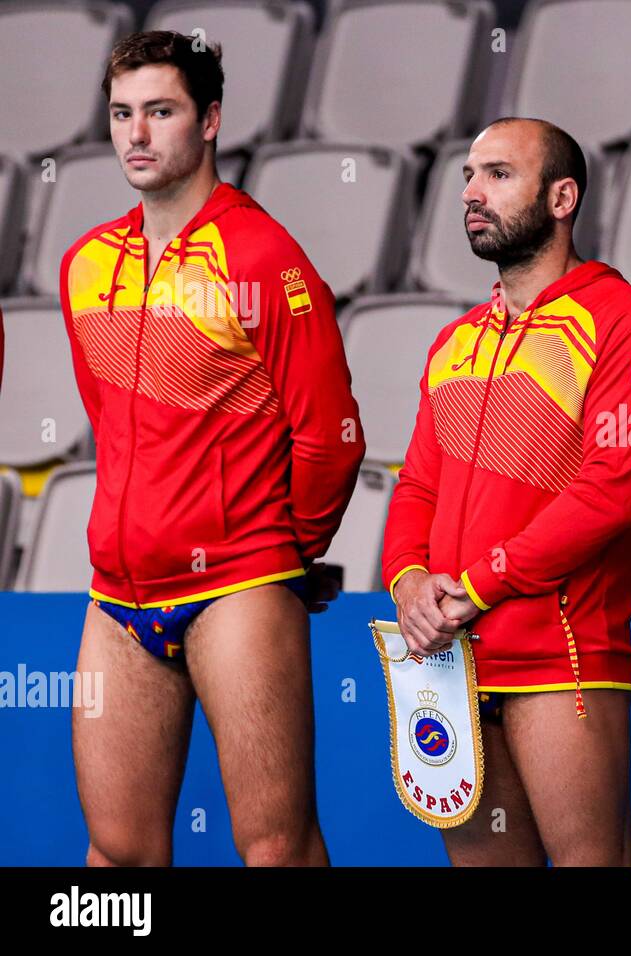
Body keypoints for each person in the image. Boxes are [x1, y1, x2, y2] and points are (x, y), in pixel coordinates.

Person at [61, 31, 365, 866]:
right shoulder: (84, 263)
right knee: (117, 855)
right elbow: (114, 427)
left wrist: (282, 557)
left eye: (161, 111)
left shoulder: (265, 257)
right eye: (122, 113)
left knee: (274, 848)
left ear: (210, 122)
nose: (137, 134)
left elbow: (333, 437)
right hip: (117, 596)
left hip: (238, 581)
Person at [382, 117, 631, 867]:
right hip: (450, 658)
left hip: (562, 655)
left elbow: (609, 495)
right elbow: (418, 481)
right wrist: (409, 582)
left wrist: (476, 585)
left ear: (562, 197)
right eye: (467, 176)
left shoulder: (629, 324)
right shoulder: (453, 341)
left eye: (498, 175)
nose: (472, 193)